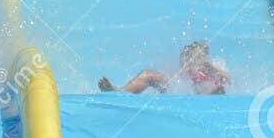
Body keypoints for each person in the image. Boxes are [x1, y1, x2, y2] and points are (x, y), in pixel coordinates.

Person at [98, 40, 230, 96]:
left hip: (208, 97)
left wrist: (211, 68)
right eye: (189, 58)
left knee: (214, 88)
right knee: (147, 74)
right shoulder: (186, 73)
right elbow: (174, 79)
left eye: (196, 57)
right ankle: (120, 92)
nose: (191, 62)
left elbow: (228, 81)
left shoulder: (213, 69)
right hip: (182, 94)